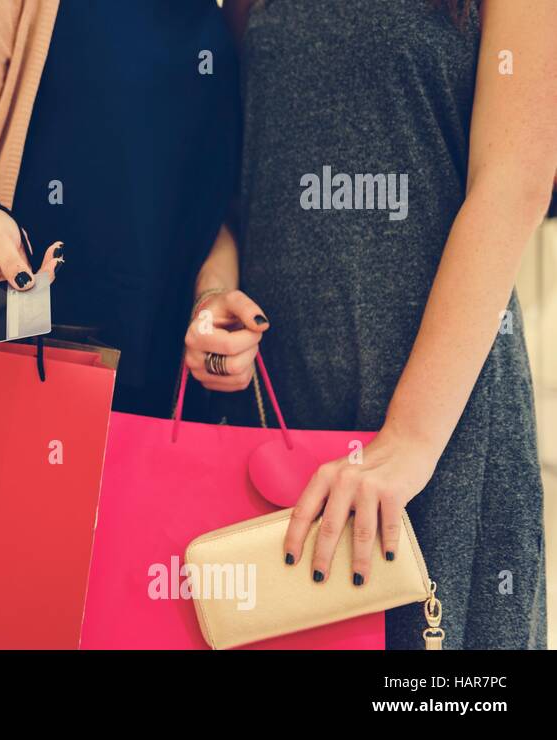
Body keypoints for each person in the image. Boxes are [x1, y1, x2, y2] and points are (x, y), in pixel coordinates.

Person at [186, 0, 554, 648]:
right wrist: (214, 296)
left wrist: (409, 440)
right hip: (279, 413)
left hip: (441, 421)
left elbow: (515, 178)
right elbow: (235, 185)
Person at [0, 0, 242, 417]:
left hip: (170, 375)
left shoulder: (229, 9)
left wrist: (213, 298)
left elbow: (205, 205)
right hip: (19, 341)